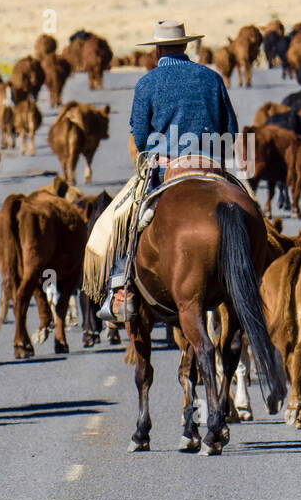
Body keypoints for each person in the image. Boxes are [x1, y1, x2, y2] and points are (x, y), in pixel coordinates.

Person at [82, 20, 240, 326]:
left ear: (157, 50)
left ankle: (122, 288)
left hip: (167, 168)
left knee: (123, 218)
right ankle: (260, 281)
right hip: (210, 165)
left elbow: (140, 138)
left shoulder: (148, 83)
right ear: (185, 46)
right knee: (248, 210)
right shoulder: (212, 78)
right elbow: (230, 132)